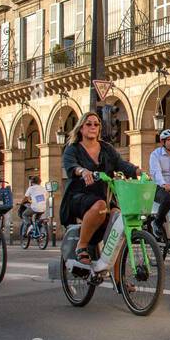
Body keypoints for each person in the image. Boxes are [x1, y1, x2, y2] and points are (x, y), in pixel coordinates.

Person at [60, 111, 138, 264]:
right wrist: (82, 171)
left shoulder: (106, 148)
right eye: (88, 124)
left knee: (118, 221)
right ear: (81, 128)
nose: (92, 127)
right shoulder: (73, 149)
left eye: (96, 124)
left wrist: (137, 171)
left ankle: (119, 279)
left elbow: (121, 164)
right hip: (79, 197)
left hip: (104, 195)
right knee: (100, 205)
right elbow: (71, 167)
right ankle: (81, 246)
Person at [20, 174, 49, 238]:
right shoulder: (43, 189)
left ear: (32, 182)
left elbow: (26, 198)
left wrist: (22, 203)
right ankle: (39, 232)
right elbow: (46, 197)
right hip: (43, 208)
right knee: (37, 219)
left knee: (24, 215)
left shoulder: (31, 188)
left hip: (34, 208)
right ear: (39, 182)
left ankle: (29, 225)